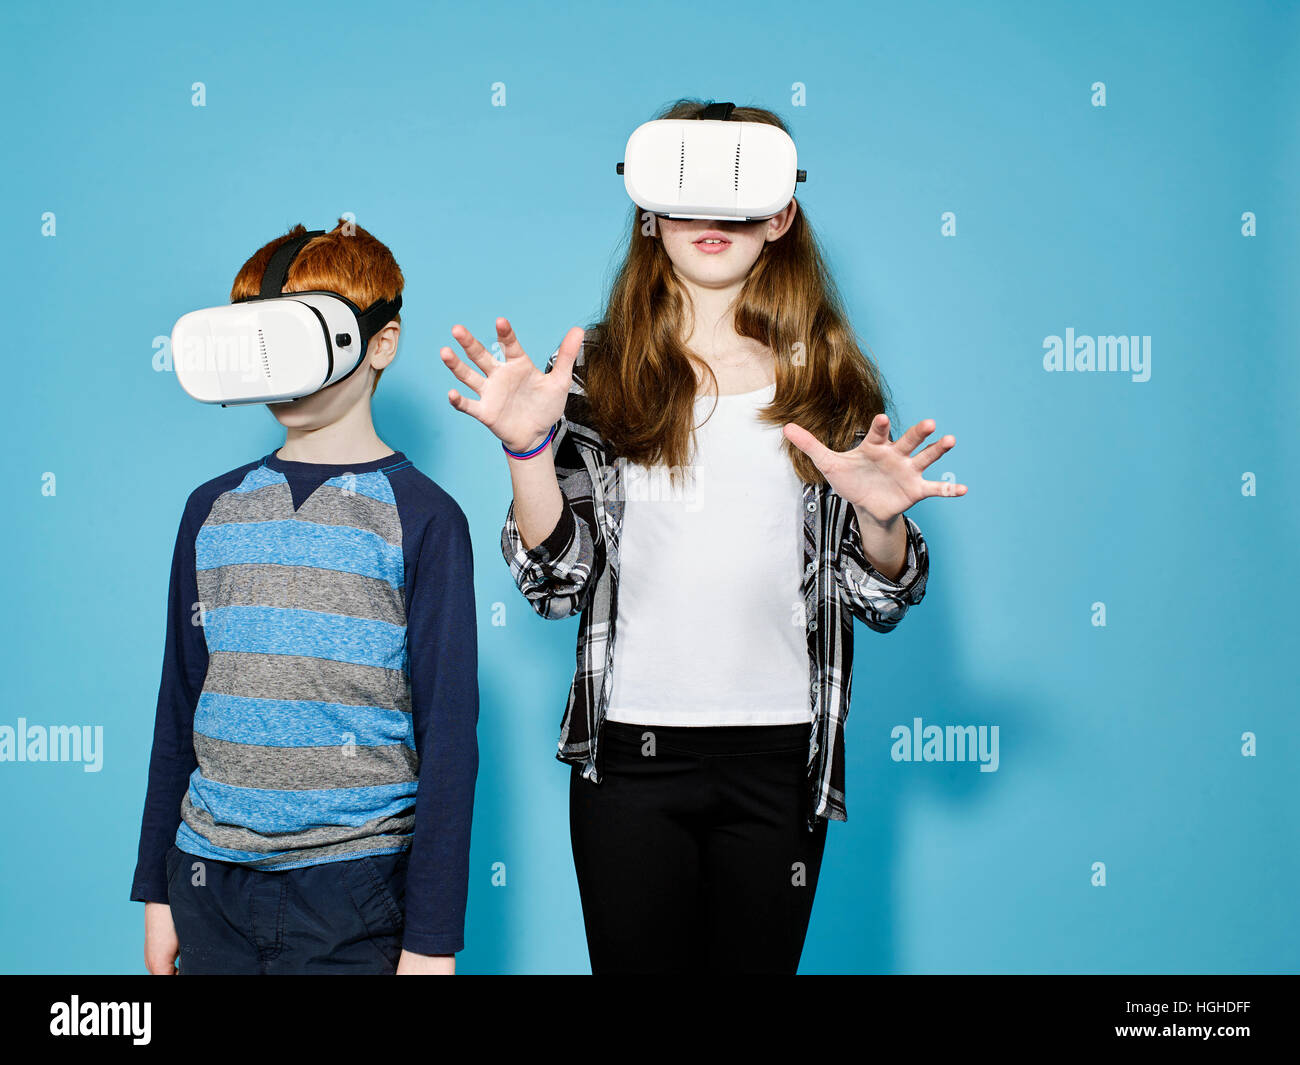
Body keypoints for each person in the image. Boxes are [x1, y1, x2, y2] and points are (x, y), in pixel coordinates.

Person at [440, 99, 967, 974]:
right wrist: (529, 451)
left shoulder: (829, 379)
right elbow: (556, 584)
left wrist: (881, 519)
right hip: (627, 754)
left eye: (738, 196)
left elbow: (879, 597)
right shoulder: (594, 374)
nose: (712, 219)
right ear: (648, 211)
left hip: (781, 754)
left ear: (779, 214)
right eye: (686, 194)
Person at [131, 221, 479, 974]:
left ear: (380, 343)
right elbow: (179, 703)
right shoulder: (211, 508)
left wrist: (430, 942)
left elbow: (450, 738)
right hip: (206, 879)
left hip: (352, 890)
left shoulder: (424, 518)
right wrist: (156, 889)